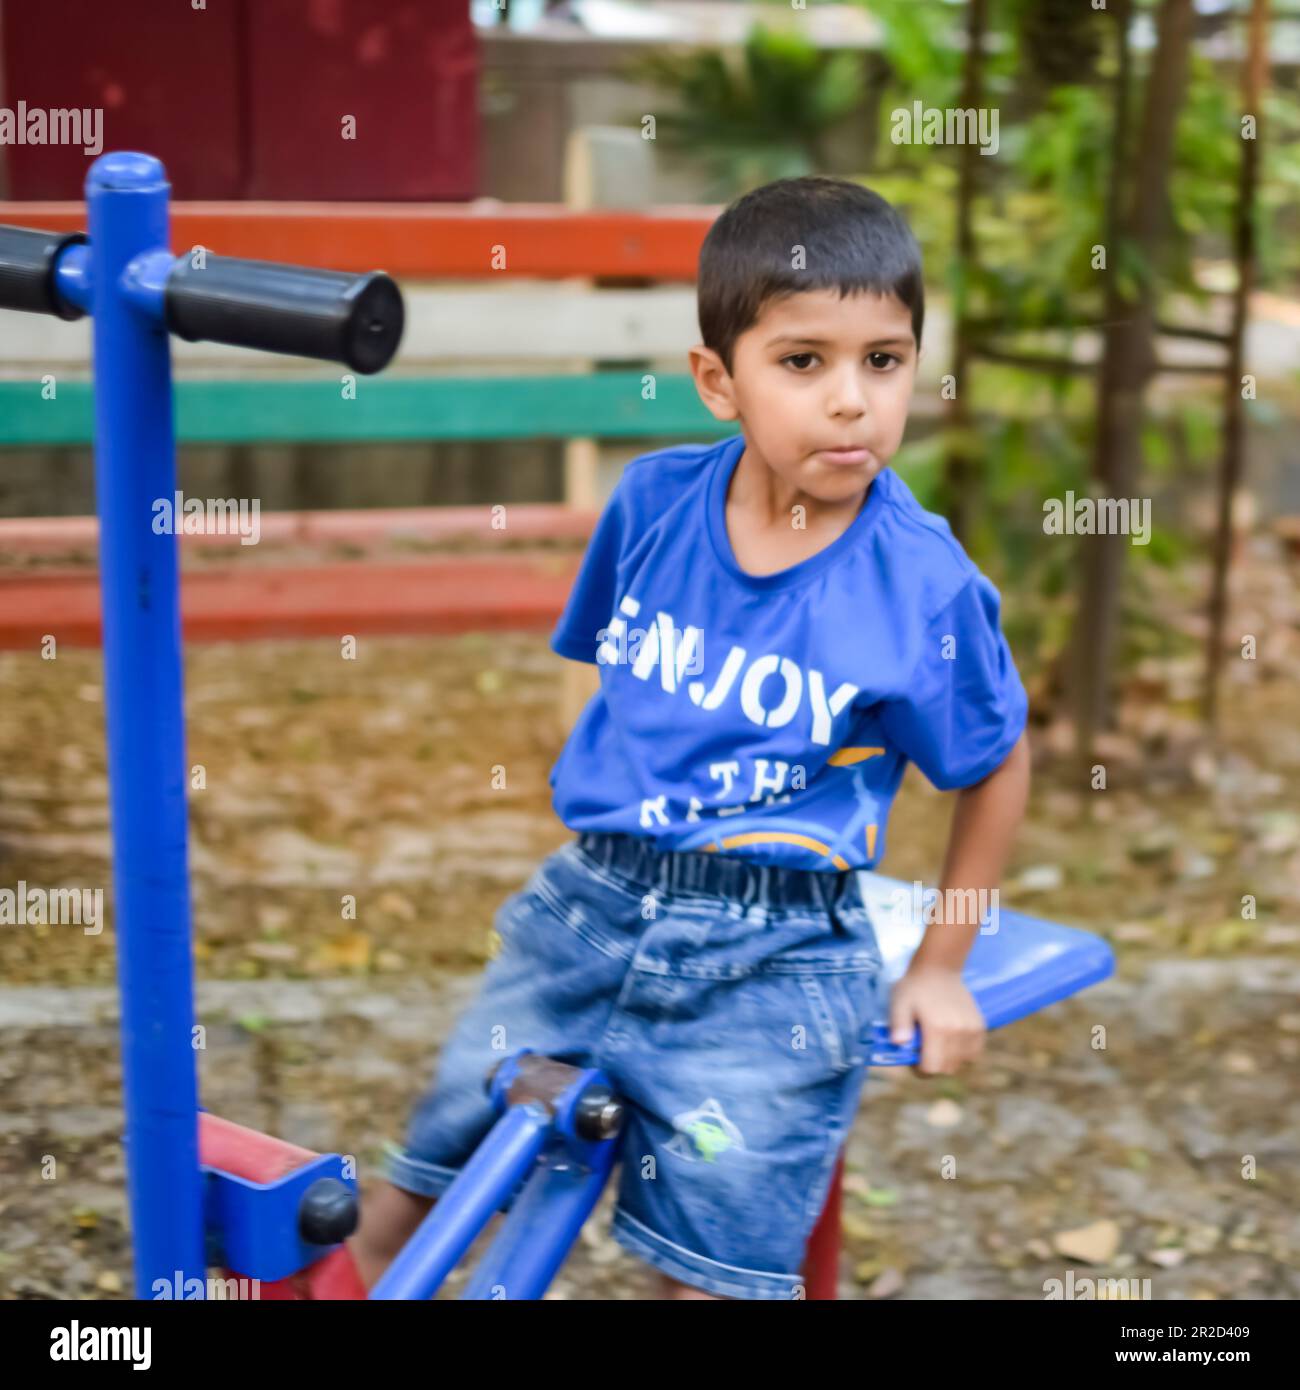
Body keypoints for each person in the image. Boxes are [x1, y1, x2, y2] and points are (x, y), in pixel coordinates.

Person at [349, 175, 1031, 1300]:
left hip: (775, 955)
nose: (852, 400)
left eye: (885, 359)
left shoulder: (921, 585)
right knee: (429, 1168)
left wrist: (941, 965)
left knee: (712, 1266)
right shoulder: (651, 505)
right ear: (719, 380)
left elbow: (995, 760)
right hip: (591, 905)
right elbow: (610, 680)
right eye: (803, 361)